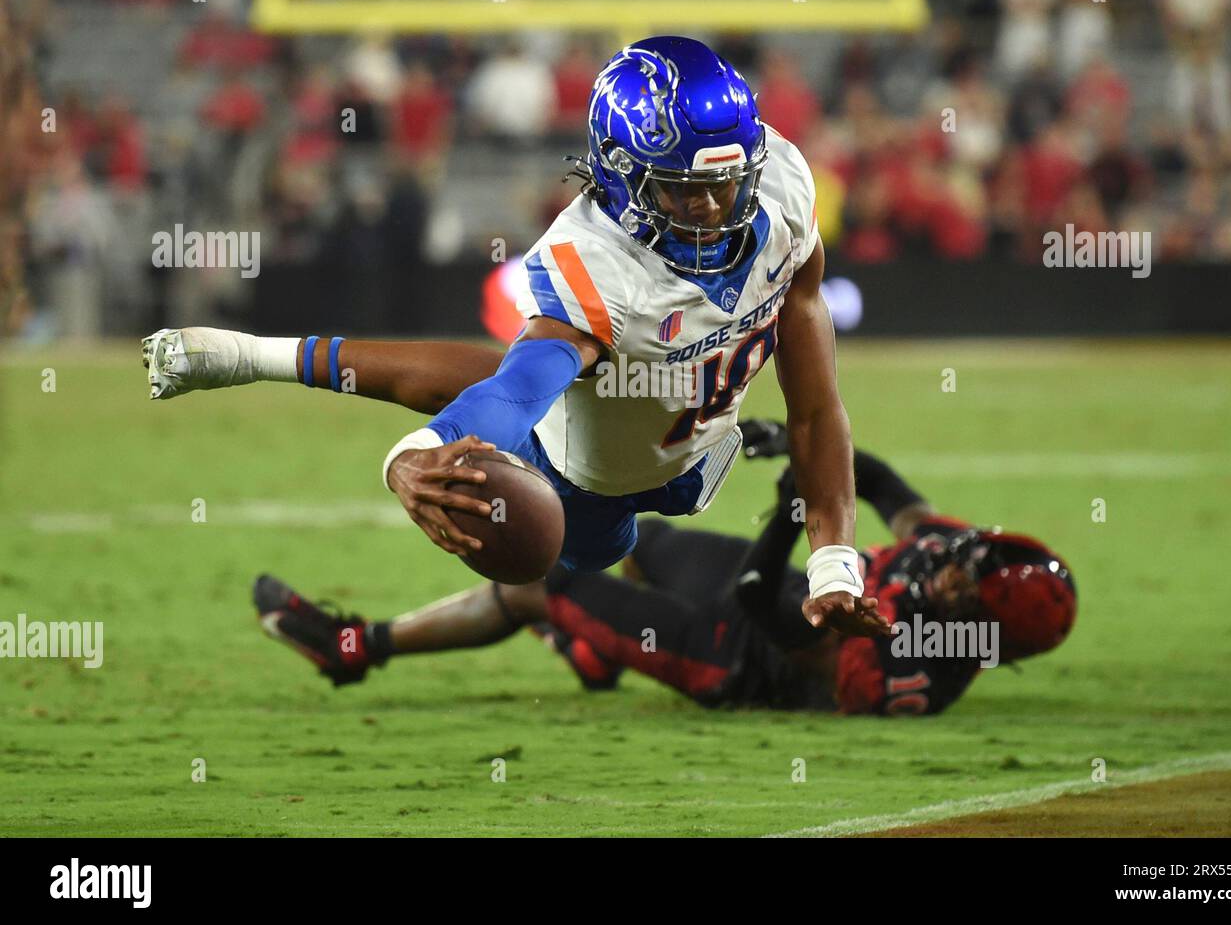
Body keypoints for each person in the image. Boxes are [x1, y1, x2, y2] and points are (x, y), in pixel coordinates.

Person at [144, 36, 884, 636]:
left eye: (728, 181)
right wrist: (417, 454)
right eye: (685, 188)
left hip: (690, 454)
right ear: (622, 177)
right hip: (585, 482)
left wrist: (835, 566)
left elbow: (817, 407)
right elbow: (515, 389)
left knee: (568, 396)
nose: (717, 206)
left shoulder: (782, 190)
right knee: (540, 523)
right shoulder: (599, 263)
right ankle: (251, 355)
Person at [251, 420, 1077, 715]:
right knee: (620, 539)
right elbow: (896, 492)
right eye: (971, 560)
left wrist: (792, 514)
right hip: (780, 592)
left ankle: (355, 648)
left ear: (982, 636)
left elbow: (759, 609)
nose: (956, 567)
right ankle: (591, 650)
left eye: (970, 585)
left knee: (538, 586)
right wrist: (806, 448)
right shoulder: (950, 561)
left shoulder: (910, 665)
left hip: (734, 653)